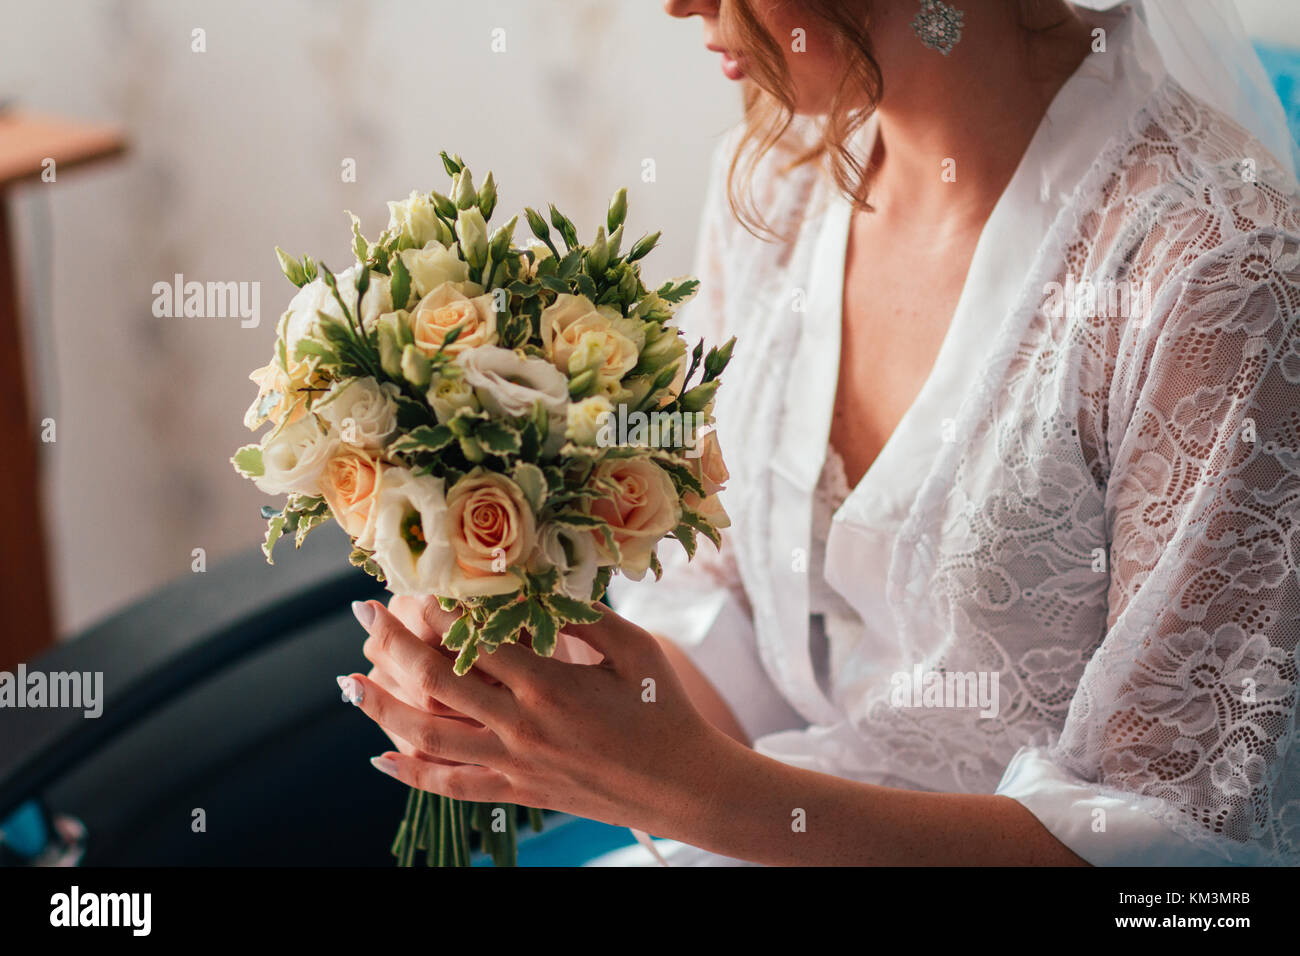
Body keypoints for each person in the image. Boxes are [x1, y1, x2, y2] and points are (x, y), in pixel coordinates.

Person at [341, 0, 1300, 865]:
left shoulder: (1219, 275)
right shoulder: (778, 186)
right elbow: (755, 608)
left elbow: (1187, 864)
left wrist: (689, 792)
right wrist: (550, 698)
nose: (677, 4)